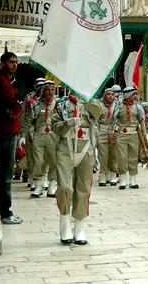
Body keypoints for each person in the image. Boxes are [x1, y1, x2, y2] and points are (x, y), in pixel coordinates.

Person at [52, 94, 102, 245]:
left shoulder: (93, 101)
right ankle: (65, 223)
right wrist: (67, 122)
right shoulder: (61, 104)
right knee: (64, 187)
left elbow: (100, 113)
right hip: (65, 149)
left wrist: (87, 101)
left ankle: (79, 227)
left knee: (83, 189)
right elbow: (55, 127)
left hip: (86, 149)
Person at [0, 51, 23, 224]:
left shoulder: (7, 81)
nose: (15, 65)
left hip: (7, 128)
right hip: (6, 129)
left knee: (4, 171)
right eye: (11, 62)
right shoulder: (2, 82)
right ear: (3, 63)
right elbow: (11, 103)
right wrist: (16, 111)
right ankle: (4, 212)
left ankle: (2, 209)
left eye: (16, 62)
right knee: (6, 172)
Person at [26, 80, 59, 198]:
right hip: (38, 134)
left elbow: (62, 121)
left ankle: (52, 185)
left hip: (53, 135)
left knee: (54, 160)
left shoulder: (58, 104)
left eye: (52, 90)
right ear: (43, 90)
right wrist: (27, 135)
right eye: (47, 90)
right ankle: (38, 184)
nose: (50, 92)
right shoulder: (35, 104)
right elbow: (29, 121)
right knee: (37, 160)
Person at [112, 87, 146, 189]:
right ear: (127, 96)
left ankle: (133, 179)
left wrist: (144, 135)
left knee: (133, 157)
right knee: (122, 157)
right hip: (121, 135)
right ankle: (122, 179)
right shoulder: (118, 107)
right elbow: (113, 121)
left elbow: (141, 121)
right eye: (132, 94)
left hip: (134, 135)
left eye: (135, 94)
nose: (134, 96)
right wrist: (111, 133)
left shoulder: (138, 107)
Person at [97, 87, 118, 186]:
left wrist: (115, 130)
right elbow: (96, 120)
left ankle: (113, 173)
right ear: (105, 95)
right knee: (103, 154)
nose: (110, 96)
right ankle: (102, 174)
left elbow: (119, 119)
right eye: (108, 94)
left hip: (114, 131)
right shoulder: (100, 105)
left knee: (113, 154)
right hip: (102, 131)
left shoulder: (117, 106)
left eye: (112, 94)